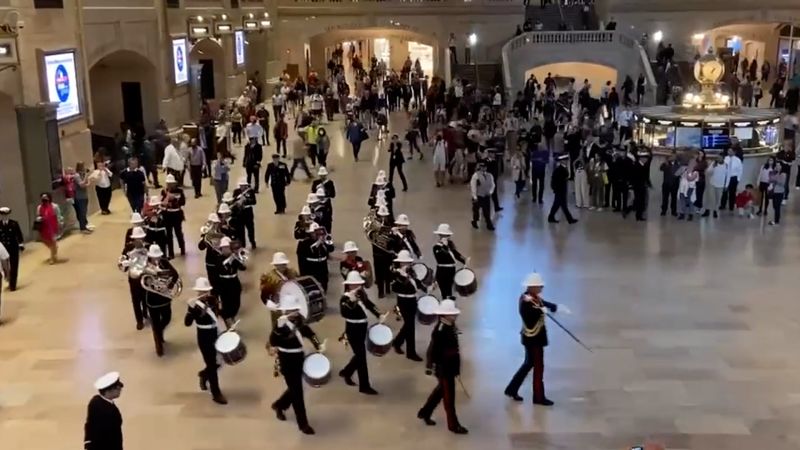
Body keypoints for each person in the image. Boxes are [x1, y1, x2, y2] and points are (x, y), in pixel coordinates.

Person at [267, 293, 324, 435]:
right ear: (285, 311)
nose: (294, 313)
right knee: (297, 392)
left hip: (299, 357)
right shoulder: (280, 325)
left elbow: (310, 333)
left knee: (295, 388)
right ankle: (303, 424)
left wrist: (318, 345)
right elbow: (273, 342)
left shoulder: (299, 321)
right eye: (290, 310)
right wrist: (278, 328)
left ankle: (279, 405)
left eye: (295, 309)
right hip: (286, 360)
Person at [504, 272, 564, 406]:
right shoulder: (527, 301)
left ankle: (511, 389)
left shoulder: (533, 298)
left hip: (533, 338)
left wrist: (554, 307)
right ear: (532, 287)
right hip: (534, 339)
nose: (542, 288)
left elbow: (542, 303)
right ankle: (538, 396)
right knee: (538, 367)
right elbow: (529, 315)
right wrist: (540, 311)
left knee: (528, 364)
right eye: (539, 286)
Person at [418, 299, 468, 435]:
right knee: (449, 397)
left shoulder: (449, 326)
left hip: (450, 367)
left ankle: (425, 412)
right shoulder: (440, 330)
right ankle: (453, 425)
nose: (455, 316)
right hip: (444, 368)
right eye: (452, 314)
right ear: (445, 315)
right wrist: (432, 366)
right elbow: (434, 350)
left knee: (440, 392)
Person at [184, 278, 228, 404]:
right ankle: (216, 393)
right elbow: (187, 323)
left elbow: (218, 314)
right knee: (212, 365)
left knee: (219, 361)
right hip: (204, 337)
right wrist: (191, 310)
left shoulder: (213, 300)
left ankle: (204, 374)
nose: (204, 294)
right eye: (201, 291)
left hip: (216, 332)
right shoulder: (194, 304)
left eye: (206, 291)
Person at [339, 271, 383, 395]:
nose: (357, 287)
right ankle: (364, 385)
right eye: (354, 285)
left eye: (358, 284)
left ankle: (347, 372)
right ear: (348, 285)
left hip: (362, 327)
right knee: (361, 357)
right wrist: (351, 301)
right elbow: (344, 313)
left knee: (360, 354)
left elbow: (369, 304)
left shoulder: (361, 295)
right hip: (352, 329)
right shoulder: (345, 298)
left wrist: (378, 314)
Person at [143, 244, 179, 356]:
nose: (157, 258)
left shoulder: (164, 262)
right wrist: (149, 281)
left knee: (167, 318)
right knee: (155, 322)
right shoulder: (145, 265)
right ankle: (158, 343)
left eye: (158, 256)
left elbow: (175, 274)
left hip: (164, 298)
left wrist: (170, 285)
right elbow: (142, 280)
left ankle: (159, 331)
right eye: (155, 257)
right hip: (152, 299)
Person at [391, 250, 426, 361]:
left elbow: (416, 283)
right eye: (403, 262)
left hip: (412, 300)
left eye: (407, 262)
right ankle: (411, 352)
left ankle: (397, 342)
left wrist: (425, 288)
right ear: (400, 263)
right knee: (410, 326)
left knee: (409, 325)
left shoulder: (411, 272)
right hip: (403, 301)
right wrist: (404, 277)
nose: (406, 264)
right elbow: (395, 288)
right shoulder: (396, 274)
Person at [83, 371, 124, 450]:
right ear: (108, 391)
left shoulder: (96, 401)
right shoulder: (106, 410)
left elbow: (89, 424)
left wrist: (87, 442)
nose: (120, 389)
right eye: (117, 388)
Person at [120, 226, 149, 330]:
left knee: (146, 297)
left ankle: (146, 312)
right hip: (134, 279)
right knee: (136, 300)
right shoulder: (128, 248)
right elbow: (121, 263)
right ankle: (139, 321)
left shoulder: (149, 247)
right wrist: (125, 264)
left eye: (141, 238)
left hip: (146, 277)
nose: (139, 240)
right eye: (137, 238)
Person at [296, 222, 334, 292]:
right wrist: (319, 242)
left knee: (323, 288)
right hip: (310, 269)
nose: (317, 234)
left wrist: (326, 241)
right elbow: (311, 250)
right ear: (311, 233)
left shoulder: (323, 241)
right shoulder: (304, 243)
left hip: (322, 269)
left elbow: (331, 249)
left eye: (318, 232)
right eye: (315, 232)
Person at [432, 223, 466, 299]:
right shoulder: (436, 247)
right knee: (445, 292)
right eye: (443, 235)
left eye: (447, 235)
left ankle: (450, 304)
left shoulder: (450, 246)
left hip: (451, 271)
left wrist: (464, 260)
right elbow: (441, 257)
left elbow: (456, 254)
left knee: (450, 291)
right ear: (440, 235)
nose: (446, 237)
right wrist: (444, 246)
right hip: (442, 272)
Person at [160, 174, 186, 259]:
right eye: (168, 183)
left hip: (177, 214)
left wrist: (175, 199)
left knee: (178, 232)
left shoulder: (179, 191)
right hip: (167, 215)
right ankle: (171, 253)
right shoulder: (163, 191)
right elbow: (161, 202)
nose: (170, 185)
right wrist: (166, 200)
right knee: (169, 234)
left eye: (171, 183)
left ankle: (182, 248)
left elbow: (183, 202)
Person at [548, 155, 577, 224]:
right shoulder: (559, 169)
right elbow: (556, 180)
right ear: (562, 161)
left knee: (557, 205)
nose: (566, 161)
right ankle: (570, 219)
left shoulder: (563, 168)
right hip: (560, 190)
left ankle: (551, 217)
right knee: (562, 205)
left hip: (562, 190)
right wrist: (555, 188)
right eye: (565, 160)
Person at [0, 207, 23, 291]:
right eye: (2, 214)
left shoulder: (14, 223)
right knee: (4, 266)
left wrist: (21, 244)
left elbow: (19, 234)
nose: (4, 216)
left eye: (5, 214)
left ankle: (13, 285)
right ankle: (8, 278)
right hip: (3, 248)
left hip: (13, 247)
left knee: (14, 266)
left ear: (8, 214)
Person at [35, 193, 61, 264]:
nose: (44, 199)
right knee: (45, 241)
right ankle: (54, 249)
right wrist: (38, 219)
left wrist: (60, 223)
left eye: (46, 197)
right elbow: (38, 215)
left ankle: (52, 257)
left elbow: (58, 215)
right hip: (44, 227)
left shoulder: (54, 206)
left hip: (53, 226)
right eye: (43, 198)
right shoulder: (39, 207)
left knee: (53, 241)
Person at [469, 162, 496, 230]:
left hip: (486, 196)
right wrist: (474, 196)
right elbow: (473, 186)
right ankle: (474, 221)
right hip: (478, 196)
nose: (483, 168)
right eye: (482, 167)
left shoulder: (490, 175)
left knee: (487, 211)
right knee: (476, 211)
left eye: (484, 167)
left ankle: (489, 224)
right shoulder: (476, 175)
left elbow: (493, 185)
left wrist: (490, 192)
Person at [232, 178, 257, 248]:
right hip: (239, 213)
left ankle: (252, 241)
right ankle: (243, 244)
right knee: (240, 230)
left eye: (244, 185)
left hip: (248, 212)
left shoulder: (250, 191)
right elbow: (233, 200)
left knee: (250, 228)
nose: (242, 187)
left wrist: (246, 200)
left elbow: (254, 201)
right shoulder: (236, 191)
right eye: (241, 185)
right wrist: (238, 200)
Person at [659, 152, 680, 216]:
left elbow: (679, 173)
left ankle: (673, 211)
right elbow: (661, 169)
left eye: (674, 156)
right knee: (665, 198)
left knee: (674, 198)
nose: (672, 157)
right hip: (666, 183)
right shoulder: (666, 163)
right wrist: (665, 163)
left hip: (674, 184)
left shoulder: (678, 164)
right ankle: (663, 210)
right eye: (671, 156)